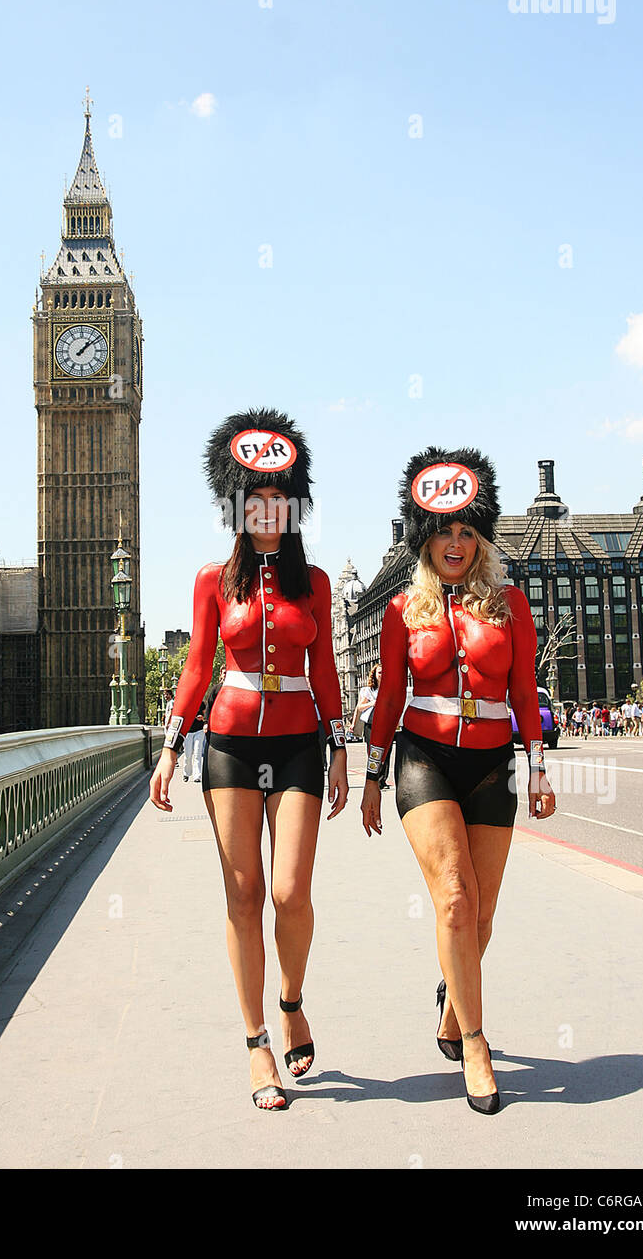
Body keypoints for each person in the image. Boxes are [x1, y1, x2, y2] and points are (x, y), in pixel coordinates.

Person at [149, 408, 349, 1111]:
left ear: (293, 505)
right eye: (254, 497)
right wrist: (171, 749)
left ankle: (291, 999)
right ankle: (256, 1040)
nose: (267, 509)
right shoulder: (212, 578)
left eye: (278, 497)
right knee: (244, 895)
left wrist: (342, 749)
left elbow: (324, 671)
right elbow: (197, 666)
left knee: (291, 892)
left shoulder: (316, 582)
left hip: (298, 744)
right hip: (230, 745)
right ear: (235, 504)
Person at [360, 445, 555, 1116]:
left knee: (485, 913)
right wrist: (372, 775)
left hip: (495, 761)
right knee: (452, 898)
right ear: (423, 538)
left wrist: (539, 767)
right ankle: (476, 1041)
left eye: (466, 530)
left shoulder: (511, 605)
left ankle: (450, 1011)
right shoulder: (400, 613)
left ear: (481, 537)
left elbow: (526, 693)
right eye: (442, 530)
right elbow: (387, 701)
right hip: (424, 759)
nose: (454, 542)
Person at [351, 663, 391, 788]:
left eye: (384, 672)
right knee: (373, 751)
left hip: (386, 722)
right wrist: (372, 703)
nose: (381, 675)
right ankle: (374, 779)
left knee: (387, 751)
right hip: (371, 722)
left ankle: (382, 779)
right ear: (374, 674)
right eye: (379, 672)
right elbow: (360, 707)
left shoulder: (389, 688)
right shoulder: (368, 690)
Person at [182, 697, 207, 781]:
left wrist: (202, 719)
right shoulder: (186, 703)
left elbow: (205, 714)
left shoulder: (202, 703)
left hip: (199, 731)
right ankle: (186, 773)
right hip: (188, 731)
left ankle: (197, 776)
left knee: (197, 753)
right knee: (188, 754)